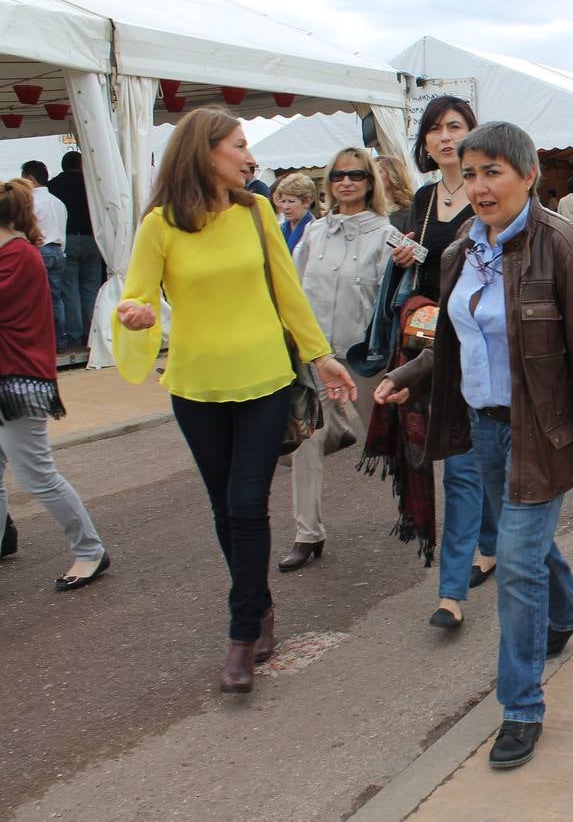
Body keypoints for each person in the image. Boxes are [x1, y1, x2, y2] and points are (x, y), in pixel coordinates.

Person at [374, 121, 573, 770]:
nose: (479, 186)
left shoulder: (564, 246)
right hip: (480, 427)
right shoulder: (461, 249)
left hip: (541, 433)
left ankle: (520, 708)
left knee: (514, 562)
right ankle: (570, 609)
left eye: (493, 172)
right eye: (470, 173)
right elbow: (455, 343)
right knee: (527, 546)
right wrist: (406, 377)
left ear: (526, 175)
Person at [115, 107, 357, 694]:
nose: (249, 158)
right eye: (239, 146)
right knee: (224, 509)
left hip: (265, 381)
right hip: (196, 388)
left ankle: (242, 632)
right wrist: (139, 317)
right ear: (205, 152)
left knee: (247, 504)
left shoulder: (255, 214)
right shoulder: (160, 226)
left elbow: (286, 291)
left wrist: (319, 354)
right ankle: (261, 603)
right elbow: (137, 300)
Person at [372, 94, 496, 629]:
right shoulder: (423, 200)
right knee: (465, 459)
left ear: (472, 132)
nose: (445, 137)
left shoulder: (487, 194)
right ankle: (485, 544)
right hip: (428, 344)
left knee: (466, 466)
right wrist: (405, 257)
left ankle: (450, 594)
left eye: (455, 126)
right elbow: (421, 270)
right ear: (423, 143)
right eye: (435, 130)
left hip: (479, 345)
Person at [280, 149, 397, 572]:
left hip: (364, 357)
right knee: (305, 443)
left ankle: (414, 511)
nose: (346, 183)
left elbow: (393, 299)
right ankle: (306, 533)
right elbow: (293, 288)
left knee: (388, 437)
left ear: (370, 182)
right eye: (338, 176)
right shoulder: (313, 235)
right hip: (316, 354)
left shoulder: (386, 234)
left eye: (356, 175)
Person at [0, 179, 108, 588]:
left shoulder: (20, 256)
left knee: (37, 476)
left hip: (17, 383)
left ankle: (90, 551)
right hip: (11, 380)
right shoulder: (16, 253)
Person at [50, 152, 102, 349]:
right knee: (91, 288)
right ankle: (92, 332)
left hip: (69, 239)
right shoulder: (92, 184)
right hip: (92, 239)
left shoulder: (54, 185)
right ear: (81, 165)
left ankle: (74, 335)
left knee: (69, 289)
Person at [20, 161, 66, 347]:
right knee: (57, 298)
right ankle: (60, 339)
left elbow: (26, 230)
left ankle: (44, 339)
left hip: (40, 250)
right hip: (59, 251)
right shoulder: (58, 202)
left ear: (30, 178)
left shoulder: (32, 203)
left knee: (37, 298)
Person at [273, 173, 317, 254]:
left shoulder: (315, 231)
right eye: (283, 201)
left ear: (306, 202)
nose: (286, 206)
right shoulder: (280, 228)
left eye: (291, 201)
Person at [375, 154, 416, 233]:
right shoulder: (369, 212)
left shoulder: (414, 208)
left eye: (378, 171)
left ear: (394, 174)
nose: (373, 176)